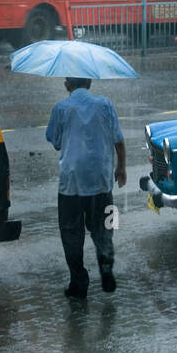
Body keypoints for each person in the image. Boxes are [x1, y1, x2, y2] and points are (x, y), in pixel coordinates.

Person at [45, 77, 127, 298]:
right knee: (104, 228)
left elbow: (56, 142)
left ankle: (78, 283)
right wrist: (121, 168)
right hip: (100, 180)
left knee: (71, 233)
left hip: (71, 183)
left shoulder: (61, 108)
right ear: (90, 82)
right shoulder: (106, 104)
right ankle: (107, 269)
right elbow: (119, 140)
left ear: (67, 85)